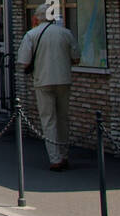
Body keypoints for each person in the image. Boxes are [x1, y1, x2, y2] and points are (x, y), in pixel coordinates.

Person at [16, 11, 81, 171]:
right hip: (64, 79)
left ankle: (55, 158)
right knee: (63, 118)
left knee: (48, 119)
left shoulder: (31, 34)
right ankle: (64, 155)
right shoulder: (66, 33)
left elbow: (24, 62)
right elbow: (77, 57)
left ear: (37, 18)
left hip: (42, 80)